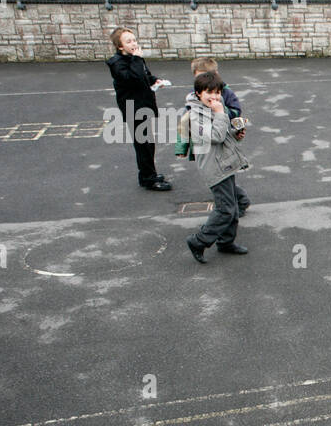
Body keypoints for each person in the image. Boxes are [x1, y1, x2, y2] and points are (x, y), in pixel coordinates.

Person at [185, 71, 251, 263]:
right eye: (209, 93)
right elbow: (215, 137)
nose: (214, 97)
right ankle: (198, 241)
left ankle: (226, 242)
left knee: (232, 206)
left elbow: (222, 133)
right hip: (214, 169)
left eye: (217, 93)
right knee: (225, 209)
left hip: (225, 164)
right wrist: (221, 114)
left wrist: (235, 133)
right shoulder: (195, 115)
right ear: (198, 93)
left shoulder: (210, 110)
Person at [106, 26, 171, 191]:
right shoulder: (117, 63)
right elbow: (132, 79)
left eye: (134, 40)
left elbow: (144, 75)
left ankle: (148, 174)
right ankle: (149, 178)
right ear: (120, 47)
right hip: (133, 107)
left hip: (143, 104)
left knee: (148, 142)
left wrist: (155, 80)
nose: (134, 43)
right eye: (128, 41)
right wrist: (136, 59)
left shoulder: (135, 59)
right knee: (143, 144)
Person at [189, 56, 249, 217]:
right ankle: (237, 205)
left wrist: (221, 114)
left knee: (225, 180)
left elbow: (235, 111)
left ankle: (239, 204)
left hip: (222, 142)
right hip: (209, 148)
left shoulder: (224, 93)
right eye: (199, 76)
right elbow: (188, 122)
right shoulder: (196, 97)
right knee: (223, 181)